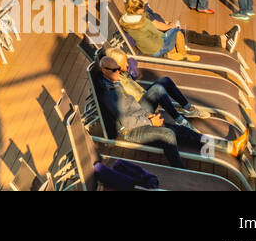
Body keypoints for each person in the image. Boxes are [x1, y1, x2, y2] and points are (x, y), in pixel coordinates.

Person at [96, 53, 248, 167]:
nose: (118, 72)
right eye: (114, 70)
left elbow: (132, 108)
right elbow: (127, 121)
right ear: (104, 70)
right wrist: (149, 120)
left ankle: (230, 147)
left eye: (118, 69)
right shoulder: (108, 93)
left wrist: (148, 115)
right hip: (130, 130)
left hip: (139, 118)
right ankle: (179, 171)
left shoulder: (113, 82)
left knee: (182, 131)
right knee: (168, 134)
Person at [128, 0, 239, 50]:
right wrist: (172, 28)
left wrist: (168, 23)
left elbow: (156, 21)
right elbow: (156, 25)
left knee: (189, 33)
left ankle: (223, 40)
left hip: (165, 29)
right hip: (162, 37)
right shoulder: (140, 10)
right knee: (191, 35)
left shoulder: (142, 5)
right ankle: (222, 41)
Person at [121, 0, 200, 61]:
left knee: (168, 37)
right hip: (158, 49)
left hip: (145, 50)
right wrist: (170, 30)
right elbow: (158, 33)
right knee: (176, 32)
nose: (144, 10)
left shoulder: (124, 21)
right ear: (138, 11)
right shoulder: (144, 22)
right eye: (142, 8)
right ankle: (184, 54)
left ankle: (171, 54)